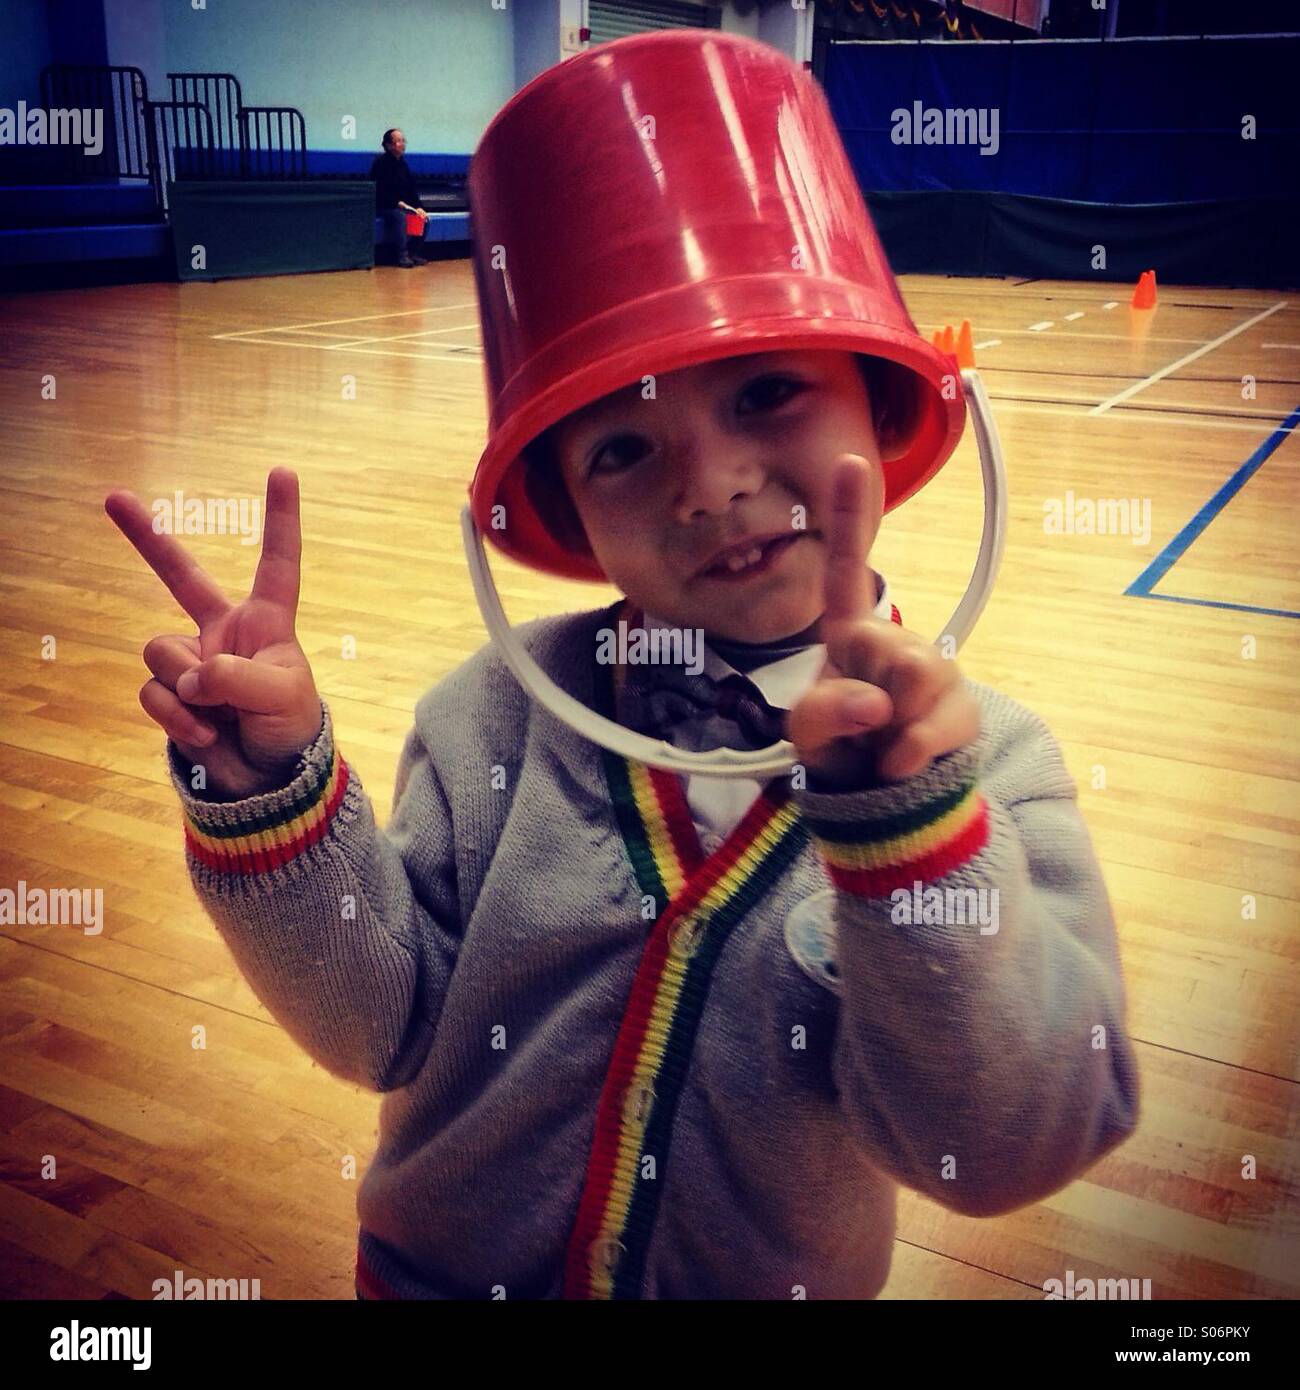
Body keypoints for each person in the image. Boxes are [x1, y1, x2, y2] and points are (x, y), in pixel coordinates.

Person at [104, 31, 1139, 1300]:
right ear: (562, 508)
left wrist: (914, 842)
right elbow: (386, 1026)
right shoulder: (488, 719)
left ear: (878, 400)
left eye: (765, 393)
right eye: (621, 452)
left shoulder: (1000, 779)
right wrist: (270, 792)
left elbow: (995, 1146)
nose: (712, 487)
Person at [370, 127, 426, 267]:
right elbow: (381, 191)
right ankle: (401, 255)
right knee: (400, 217)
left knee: (422, 217)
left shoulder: (403, 164)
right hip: (385, 206)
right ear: (389, 145)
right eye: (399, 141)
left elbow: (411, 189)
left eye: (403, 141)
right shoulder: (381, 164)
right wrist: (398, 203)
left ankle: (414, 253)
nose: (402, 144)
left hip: (402, 205)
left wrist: (419, 207)